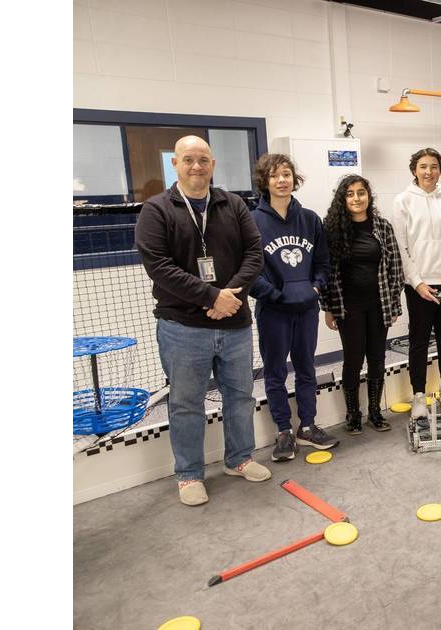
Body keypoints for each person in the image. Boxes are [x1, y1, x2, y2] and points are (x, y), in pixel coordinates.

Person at [134, 135, 270, 506]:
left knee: (240, 396)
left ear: (212, 165)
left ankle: (239, 459)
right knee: (185, 402)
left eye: (204, 160)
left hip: (235, 324)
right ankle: (189, 474)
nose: (197, 167)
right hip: (182, 327)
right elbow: (159, 267)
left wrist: (229, 296)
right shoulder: (156, 210)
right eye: (189, 160)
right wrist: (212, 297)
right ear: (175, 164)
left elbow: (254, 254)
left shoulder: (234, 204)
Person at [249, 154, 336, 462]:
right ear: (265, 181)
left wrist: (314, 287)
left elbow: (323, 263)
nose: (282, 180)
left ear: (294, 179)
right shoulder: (252, 221)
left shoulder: (310, 219)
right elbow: (248, 270)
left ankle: (308, 426)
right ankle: (284, 431)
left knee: (306, 368)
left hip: (307, 309)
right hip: (274, 310)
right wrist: (273, 294)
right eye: (275, 176)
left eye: (286, 174)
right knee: (274, 372)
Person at [389, 148, 441, 419]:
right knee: (419, 342)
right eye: (423, 166)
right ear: (414, 169)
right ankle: (418, 397)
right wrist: (417, 283)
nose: (429, 171)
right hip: (419, 287)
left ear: (440, 169)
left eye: (434, 166)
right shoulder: (402, 201)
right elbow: (402, 249)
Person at [321, 174, 404, 434]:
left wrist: (393, 306)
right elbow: (325, 272)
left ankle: (376, 413)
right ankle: (353, 414)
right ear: (342, 199)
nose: (357, 198)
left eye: (361, 192)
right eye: (350, 194)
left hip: (379, 305)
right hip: (348, 307)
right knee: (353, 360)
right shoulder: (331, 230)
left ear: (369, 196)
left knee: (377, 359)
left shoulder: (382, 226)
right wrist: (328, 308)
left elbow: (396, 269)